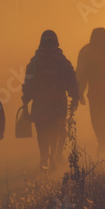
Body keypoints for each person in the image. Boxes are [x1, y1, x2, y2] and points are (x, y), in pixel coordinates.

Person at [22, 30, 80, 170]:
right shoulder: (62, 60)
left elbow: (28, 82)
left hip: (40, 102)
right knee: (57, 130)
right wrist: (75, 96)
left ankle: (44, 159)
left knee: (42, 132)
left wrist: (26, 98)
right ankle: (53, 157)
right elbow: (72, 79)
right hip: (58, 101)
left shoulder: (35, 61)